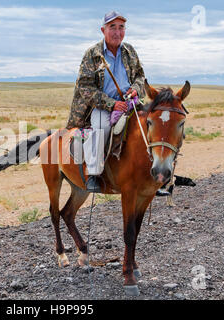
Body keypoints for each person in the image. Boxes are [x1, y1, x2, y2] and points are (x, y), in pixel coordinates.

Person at [66, 10, 146, 192]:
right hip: (103, 106)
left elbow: (140, 76)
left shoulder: (130, 51)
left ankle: (156, 173)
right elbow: (84, 86)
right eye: (112, 27)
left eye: (121, 27)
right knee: (101, 128)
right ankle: (94, 174)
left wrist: (136, 89)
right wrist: (111, 104)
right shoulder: (92, 54)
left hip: (130, 103)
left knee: (151, 124)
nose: (117, 32)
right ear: (103, 30)